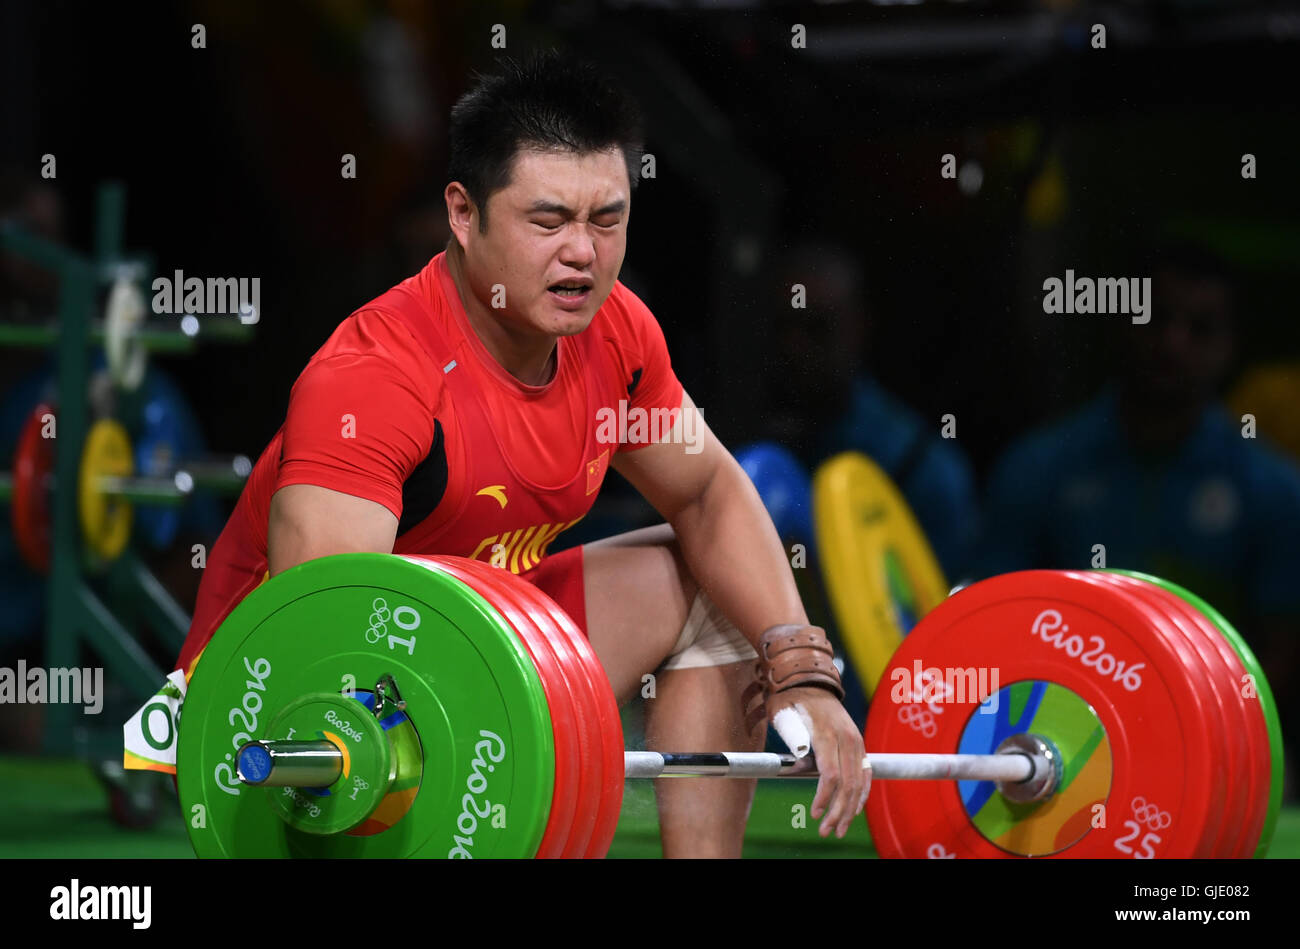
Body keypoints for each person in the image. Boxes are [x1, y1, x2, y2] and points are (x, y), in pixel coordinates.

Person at [167, 52, 867, 855]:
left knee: (717, 583)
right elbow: (324, 643)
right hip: (293, 728)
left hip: (467, 651)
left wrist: (800, 670)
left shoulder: (620, 336)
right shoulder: (375, 381)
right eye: (548, 221)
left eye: (607, 219)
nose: (583, 253)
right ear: (464, 216)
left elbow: (708, 491)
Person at [979, 243, 1300, 774]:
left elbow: (1280, 651)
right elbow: (993, 624)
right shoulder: (1036, 468)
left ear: (1230, 348)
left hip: (1220, 754)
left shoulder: (1275, 490)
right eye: (1156, 317)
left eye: (1200, 328)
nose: (1173, 342)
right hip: (1052, 747)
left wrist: (1197, 748)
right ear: (1122, 324)